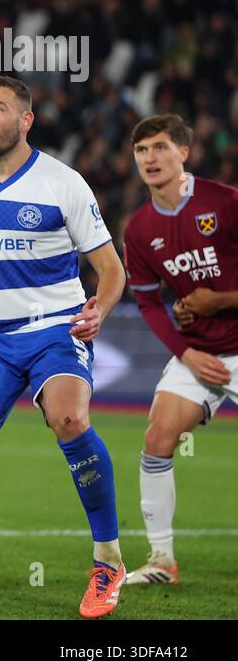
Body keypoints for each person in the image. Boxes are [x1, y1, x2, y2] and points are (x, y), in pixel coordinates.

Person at [0, 75, 126, 618]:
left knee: (68, 418)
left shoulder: (63, 182)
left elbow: (111, 269)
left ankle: (108, 561)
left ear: (26, 120)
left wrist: (101, 310)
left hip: (57, 329)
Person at [122, 113, 238, 586]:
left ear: (184, 153)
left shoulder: (225, 203)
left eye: (160, 147)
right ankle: (162, 560)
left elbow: (210, 294)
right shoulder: (138, 229)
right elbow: (149, 304)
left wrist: (220, 301)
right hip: (201, 354)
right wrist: (186, 354)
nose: (150, 158)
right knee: (158, 438)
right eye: (141, 150)